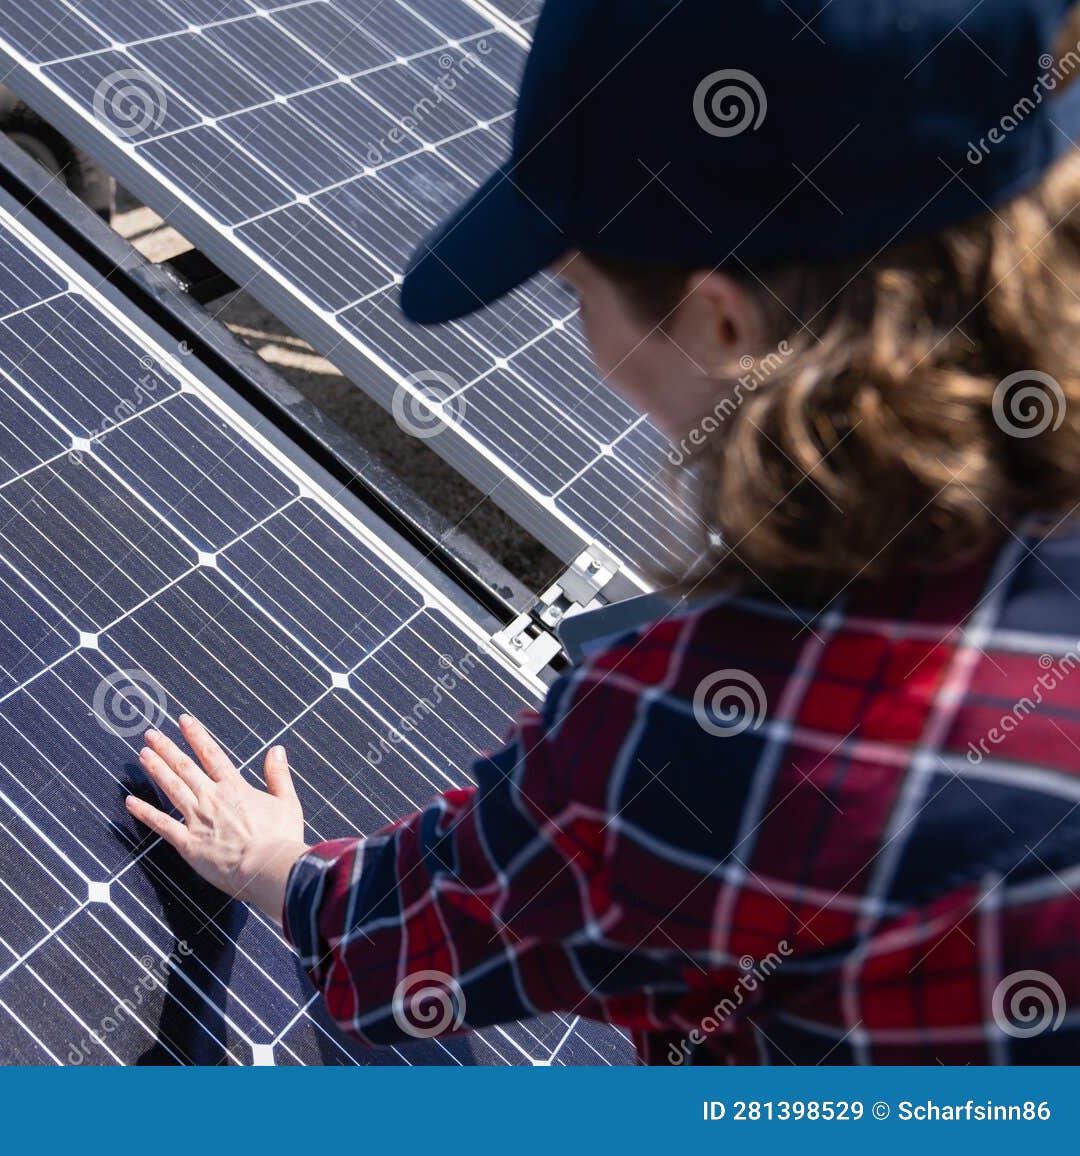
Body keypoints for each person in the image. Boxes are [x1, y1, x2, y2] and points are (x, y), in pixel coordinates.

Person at [125, 0, 1080, 1064]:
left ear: (722, 326)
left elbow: (402, 949)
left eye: (579, 285)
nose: (581, 326)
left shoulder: (692, 742)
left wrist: (278, 869)